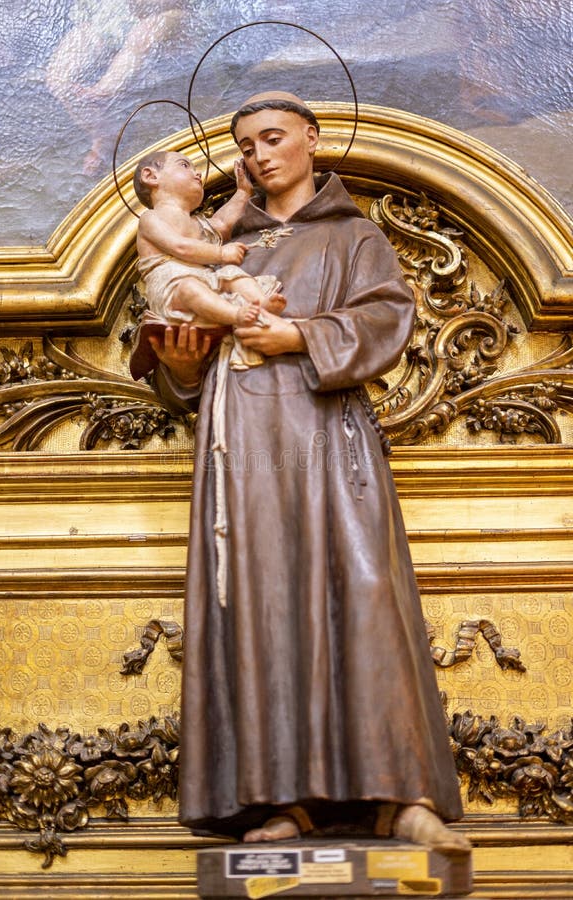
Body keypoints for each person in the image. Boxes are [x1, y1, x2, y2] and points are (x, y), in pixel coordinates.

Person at [147, 91, 470, 852]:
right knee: (264, 608)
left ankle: (404, 796)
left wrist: (300, 334)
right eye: (248, 146)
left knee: (365, 600)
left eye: (274, 138)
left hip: (329, 440)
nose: (261, 155)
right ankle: (282, 799)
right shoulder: (212, 240)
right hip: (244, 447)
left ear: (312, 140)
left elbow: (386, 318)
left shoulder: (353, 235)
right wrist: (180, 366)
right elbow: (178, 359)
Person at [130, 150, 286, 380]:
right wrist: (221, 253)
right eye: (185, 165)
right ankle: (237, 315)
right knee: (190, 287)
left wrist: (243, 192)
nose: (198, 173)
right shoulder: (151, 219)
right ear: (150, 176)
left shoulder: (197, 223)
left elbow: (222, 222)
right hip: (173, 287)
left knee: (232, 273)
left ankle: (261, 304)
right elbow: (180, 247)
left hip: (202, 280)